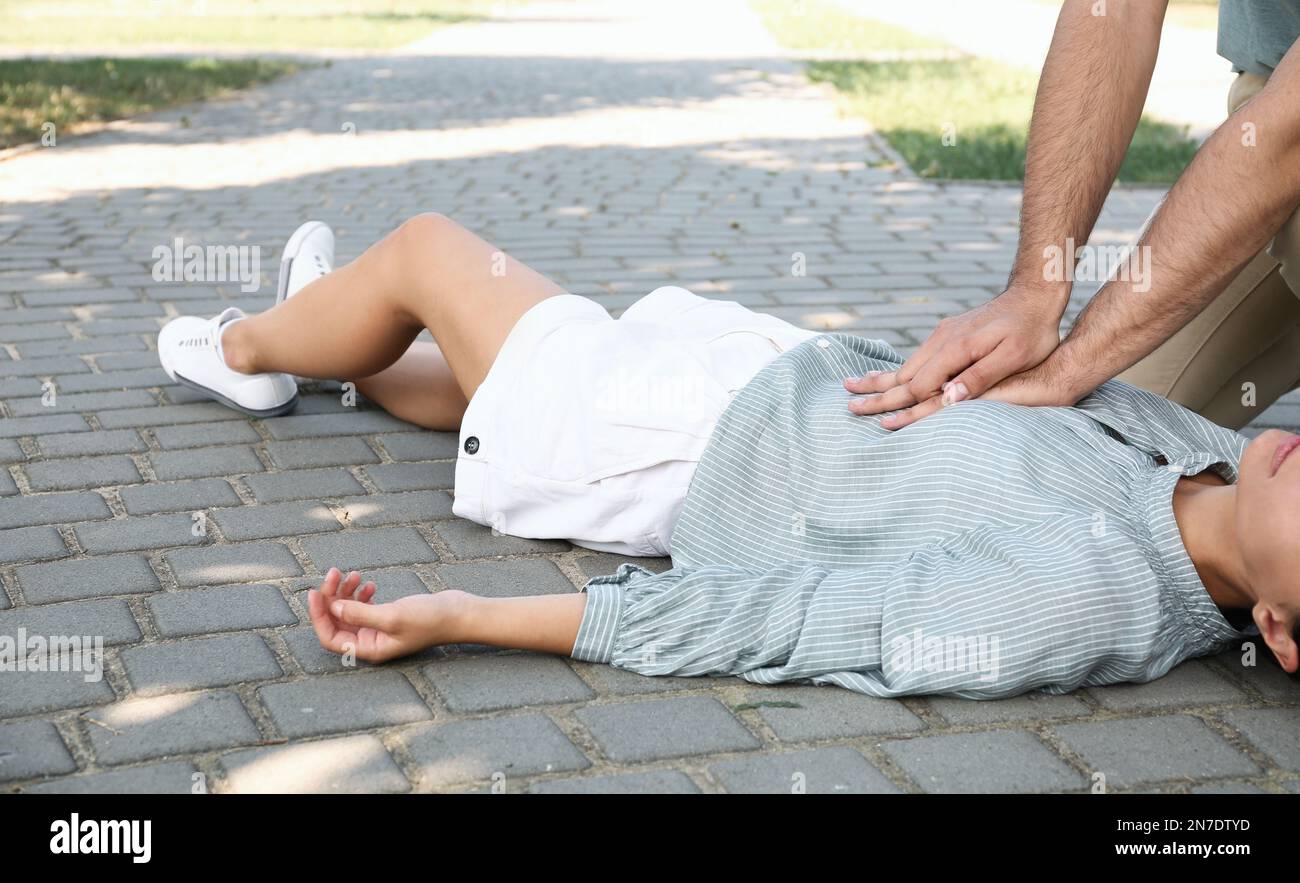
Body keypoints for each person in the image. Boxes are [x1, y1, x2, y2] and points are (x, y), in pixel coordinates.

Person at [156, 215, 1299, 699]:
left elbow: (791, 620)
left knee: (425, 254)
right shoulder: (1211, 458)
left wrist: (462, 614)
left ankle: (247, 347)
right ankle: (331, 335)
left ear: (1282, 634)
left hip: (668, 444)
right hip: (748, 377)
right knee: (481, 383)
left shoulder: (1081, 597)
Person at [847, 0, 1300, 432]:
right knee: (1088, 436)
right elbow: (1115, 11)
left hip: (1285, 131)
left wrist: (1071, 367)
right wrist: (1034, 293)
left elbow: (1288, 136)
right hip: (1269, 106)